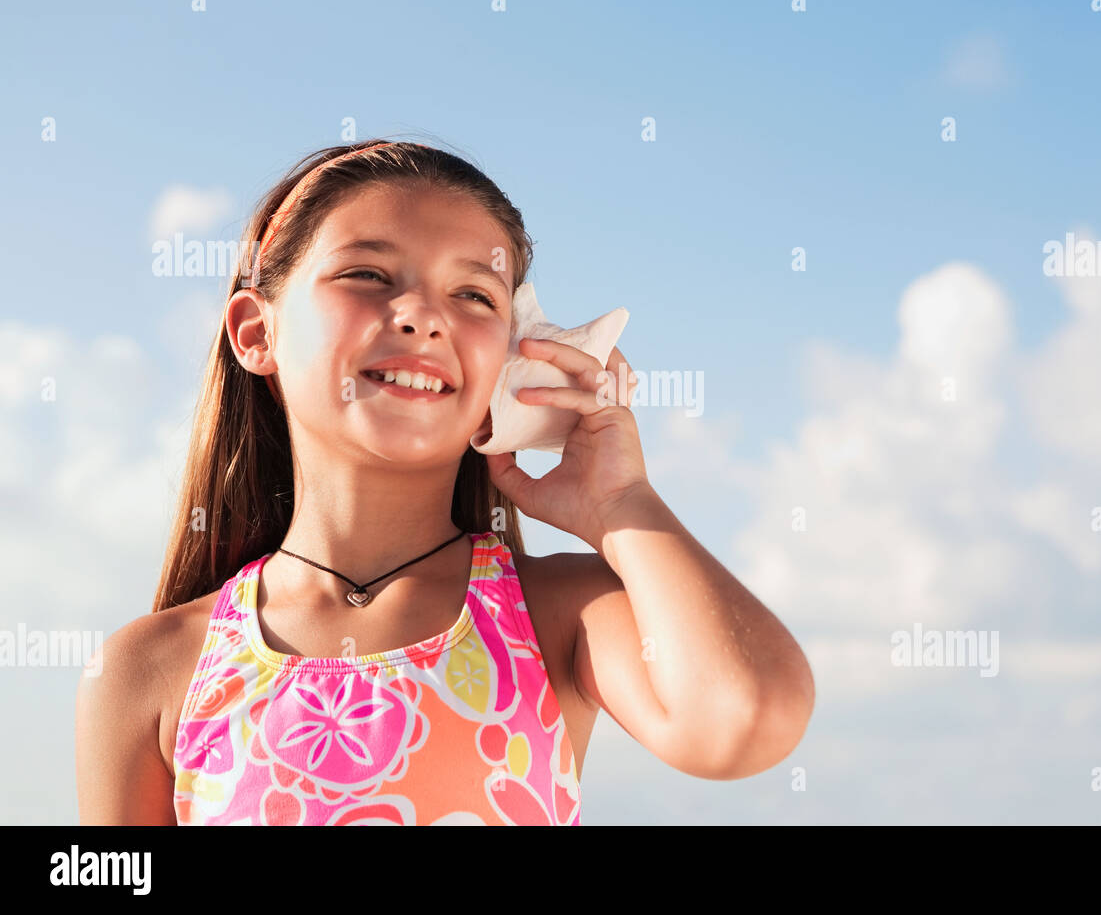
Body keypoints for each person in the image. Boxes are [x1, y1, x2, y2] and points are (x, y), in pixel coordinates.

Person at [74, 138, 815, 825]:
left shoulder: (558, 616)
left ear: (511, 358)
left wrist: (623, 503)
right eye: (367, 274)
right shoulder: (150, 670)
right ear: (256, 332)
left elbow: (747, 720)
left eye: (475, 296)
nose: (425, 316)